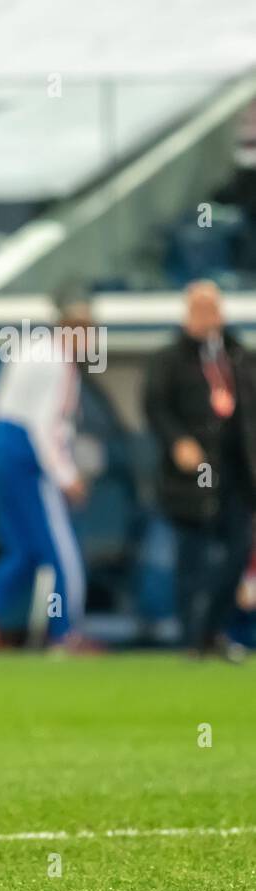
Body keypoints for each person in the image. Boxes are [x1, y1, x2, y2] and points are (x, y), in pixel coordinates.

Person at [0, 303, 91, 649]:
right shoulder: (58, 362)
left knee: (25, 548)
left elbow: (1, 405)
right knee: (60, 552)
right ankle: (65, 633)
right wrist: (66, 476)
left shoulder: (31, 348)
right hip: (26, 455)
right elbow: (45, 426)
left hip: (2, 448)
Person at [145, 280, 256, 659]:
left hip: (236, 476)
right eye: (199, 310)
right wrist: (177, 440)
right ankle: (192, 639)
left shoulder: (239, 357)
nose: (207, 319)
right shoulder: (169, 360)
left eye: (213, 310)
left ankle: (213, 630)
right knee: (191, 557)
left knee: (237, 553)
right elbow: (156, 406)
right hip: (190, 479)